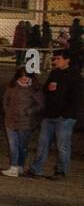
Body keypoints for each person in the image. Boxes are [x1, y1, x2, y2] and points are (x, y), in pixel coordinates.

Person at [24, 50, 81, 179]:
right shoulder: (55, 74)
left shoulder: (74, 76)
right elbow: (45, 91)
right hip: (50, 115)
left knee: (62, 145)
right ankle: (36, 169)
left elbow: (76, 98)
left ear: (67, 60)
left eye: (58, 59)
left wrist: (66, 114)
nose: (54, 61)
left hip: (63, 117)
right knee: (43, 143)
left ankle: (61, 171)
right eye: (54, 59)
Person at [1, 67, 43, 176]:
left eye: (26, 77)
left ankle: (19, 166)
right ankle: (14, 166)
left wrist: (29, 111)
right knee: (13, 144)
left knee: (22, 145)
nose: (24, 79)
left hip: (26, 122)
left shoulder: (34, 88)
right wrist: (7, 110)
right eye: (22, 77)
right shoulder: (12, 86)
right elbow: (5, 99)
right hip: (11, 119)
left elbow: (40, 104)